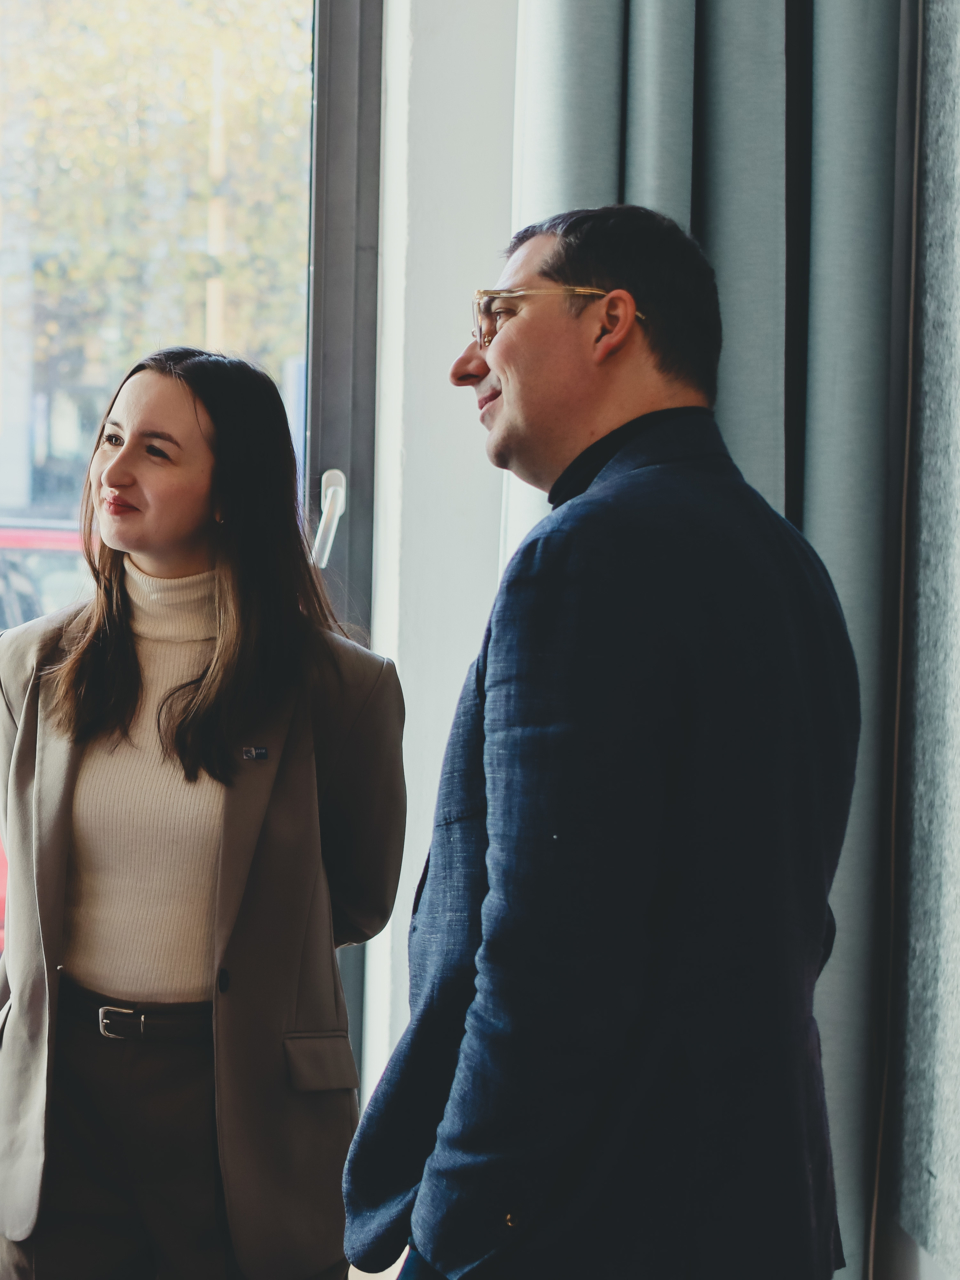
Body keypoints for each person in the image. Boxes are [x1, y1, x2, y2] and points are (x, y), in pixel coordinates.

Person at [342, 206, 860, 1280]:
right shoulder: (786, 561)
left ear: (609, 320)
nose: (464, 360)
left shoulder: (583, 556)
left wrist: (454, 1228)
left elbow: (544, 953)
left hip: (590, 1219)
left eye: (497, 312)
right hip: (765, 1205)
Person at [0, 347, 406, 1280]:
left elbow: (356, 899)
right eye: (111, 437)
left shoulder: (340, 688)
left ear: (230, 492)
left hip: (241, 1112)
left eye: (155, 449)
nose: (113, 472)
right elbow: (35, 879)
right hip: (55, 1106)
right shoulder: (26, 667)